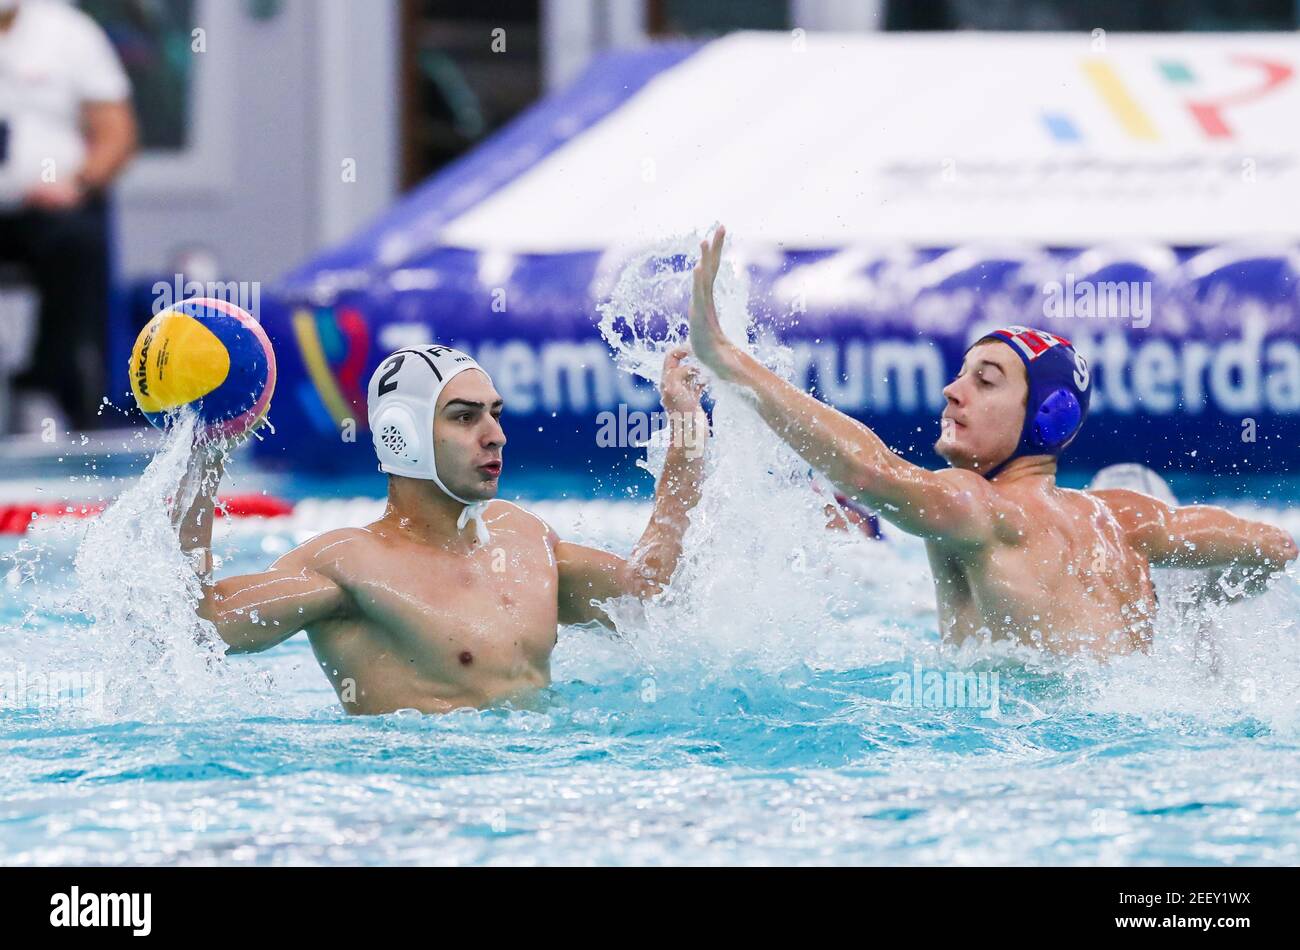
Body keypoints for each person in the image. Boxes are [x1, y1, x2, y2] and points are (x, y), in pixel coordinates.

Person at [686, 226, 1297, 656]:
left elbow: (868, 471)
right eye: (960, 375)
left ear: (1047, 417)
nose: (953, 392)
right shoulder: (1128, 521)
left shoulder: (981, 509)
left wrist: (731, 363)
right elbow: (1276, 548)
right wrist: (1199, 604)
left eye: (985, 381)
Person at [177, 345, 708, 714]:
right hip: (428, 814)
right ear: (401, 436)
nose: (495, 435)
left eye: (495, 414)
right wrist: (205, 458)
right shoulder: (350, 568)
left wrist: (686, 438)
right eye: (464, 417)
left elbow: (648, 596)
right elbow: (196, 626)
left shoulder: (523, 539)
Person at [0, 0, 137, 429]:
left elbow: (117, 132)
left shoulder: (69, 32)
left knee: (77, 243)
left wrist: (77, 184)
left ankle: (46, 388)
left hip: (48, 210)